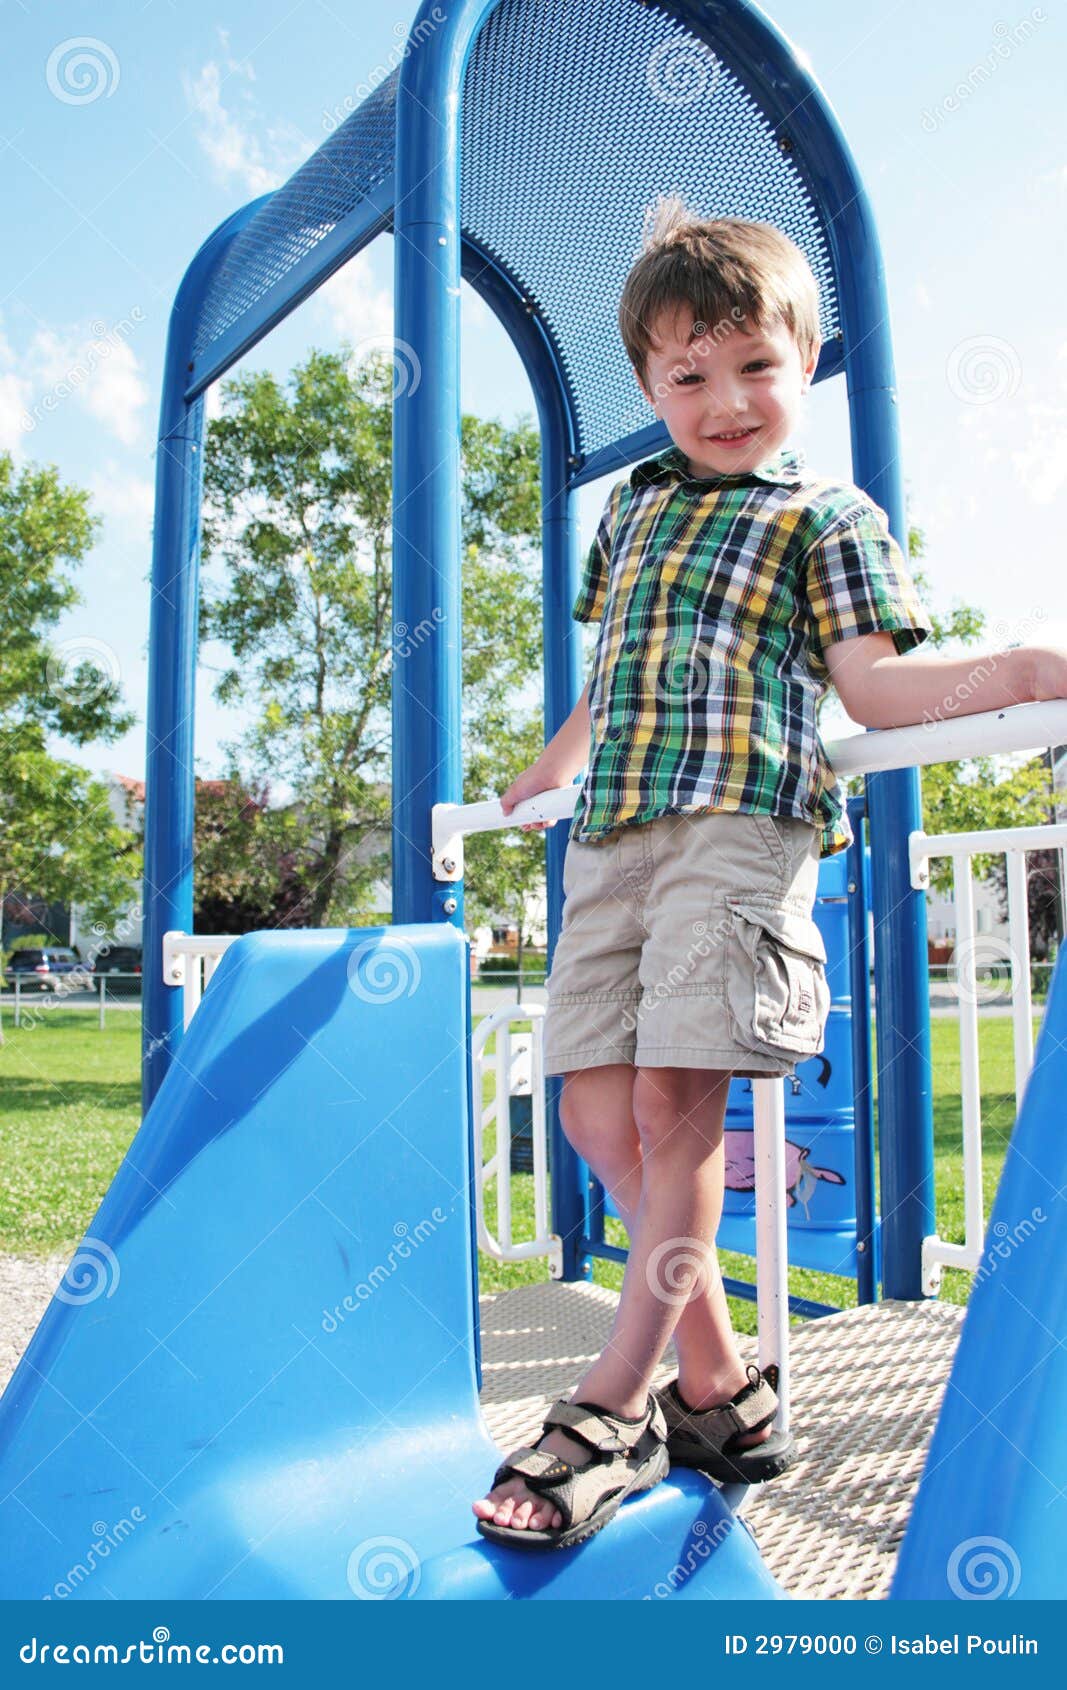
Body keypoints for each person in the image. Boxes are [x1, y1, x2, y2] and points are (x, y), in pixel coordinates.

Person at [473, 196, 1067, 1552]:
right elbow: (616, 667)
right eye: (690, 375)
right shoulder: (629, 511)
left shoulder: (825, 518)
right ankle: (723, 1392)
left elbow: (877, 687)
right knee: (593, 1115)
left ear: (804, 364)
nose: (727, 399)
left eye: (757, 365)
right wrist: (551, 762)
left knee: (675, 1112)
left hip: (739, 832)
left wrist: (1021, 670)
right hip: (610, 835)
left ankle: (615, 1405)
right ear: (649, 386)